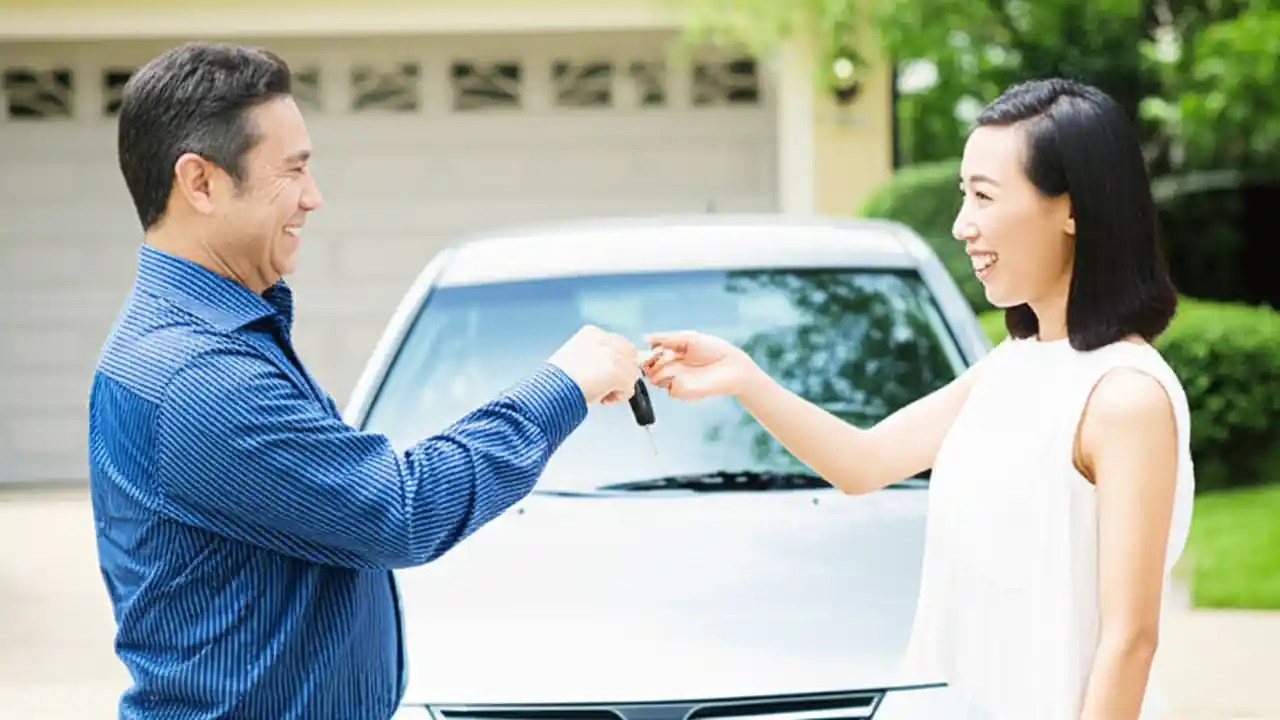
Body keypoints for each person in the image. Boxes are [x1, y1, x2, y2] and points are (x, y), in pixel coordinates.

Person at [88, 42, 641, 718]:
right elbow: (401, 511)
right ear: (200, 183)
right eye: (292, 171)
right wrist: (564, 386)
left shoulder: (209, 338)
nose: (313, 198)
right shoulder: (198, 377)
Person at [643, 78, 1193, 719]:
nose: (962, 225)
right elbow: (864, 462)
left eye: (984, 197)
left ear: (1073, 209)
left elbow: (1129, 641)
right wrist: (745, 379)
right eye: (965, 195)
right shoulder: (1011, 369)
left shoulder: (1124, 397)